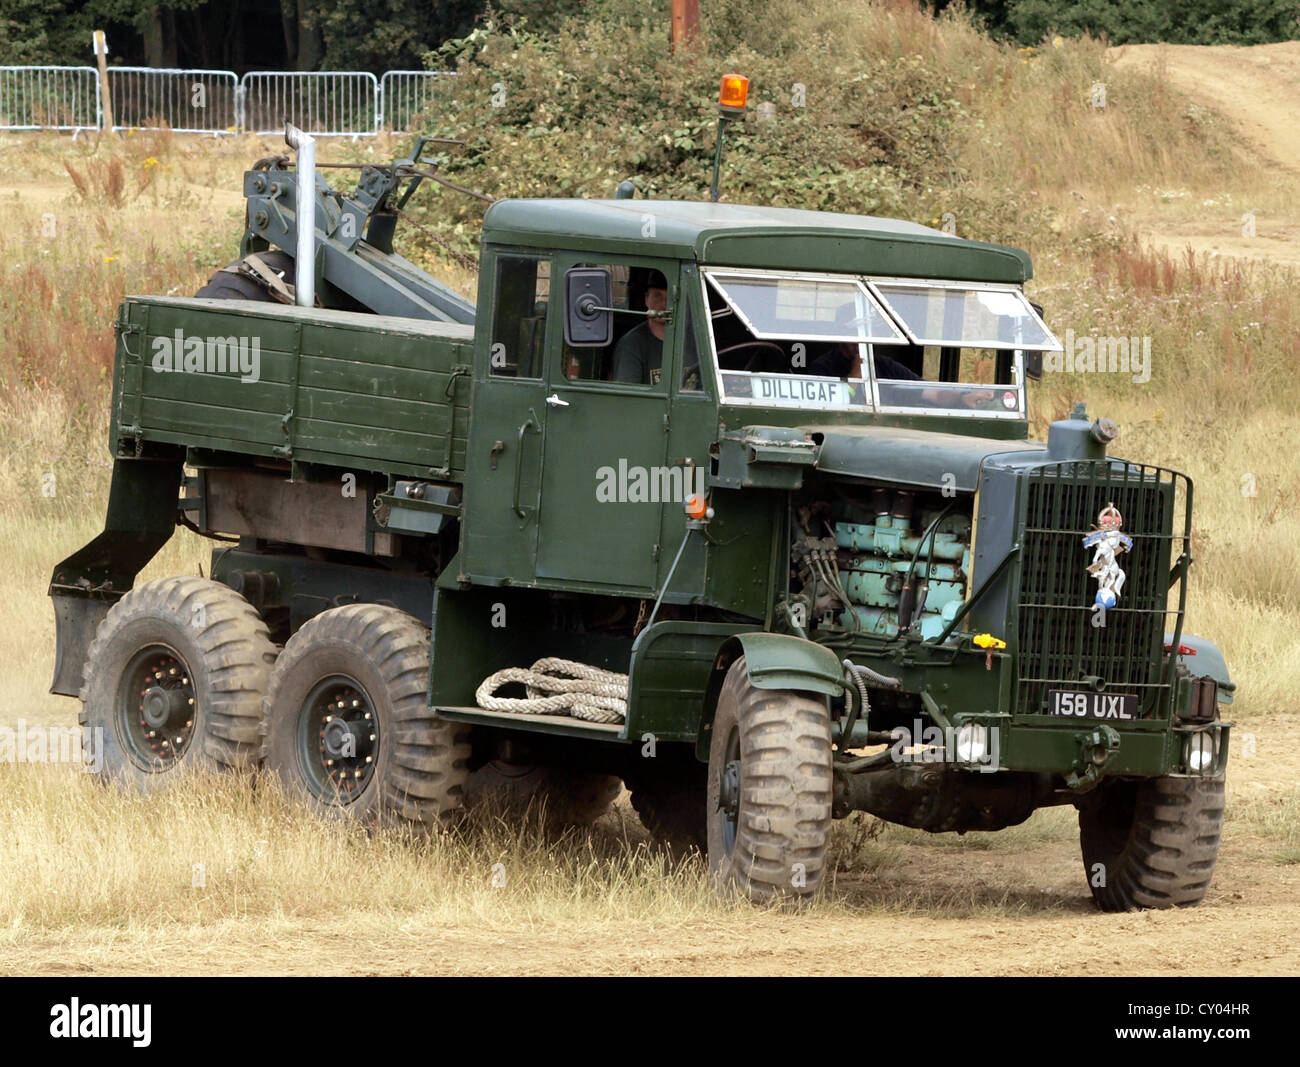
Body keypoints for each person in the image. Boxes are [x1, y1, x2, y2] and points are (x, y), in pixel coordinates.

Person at [611, 271, 669, 385]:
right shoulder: (631, 344)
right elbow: (627, 397)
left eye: (670, 297)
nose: (664, 304)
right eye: (657, 296)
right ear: (647, 299)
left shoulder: (693, 340)